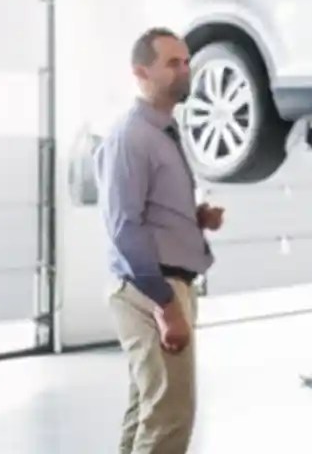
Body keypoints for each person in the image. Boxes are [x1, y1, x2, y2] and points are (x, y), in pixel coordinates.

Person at [95, 27, 225, 454]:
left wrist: (195, 218)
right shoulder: (131, 138)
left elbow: (149, 213)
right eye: (172, 63)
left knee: (148, 408)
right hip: (151, 290)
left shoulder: (165, 131)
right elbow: (124, 228)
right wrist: (166, 306)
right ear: (140, 71)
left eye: (186, 61)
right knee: (170, 417)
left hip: (166, 285)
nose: (184, 70)